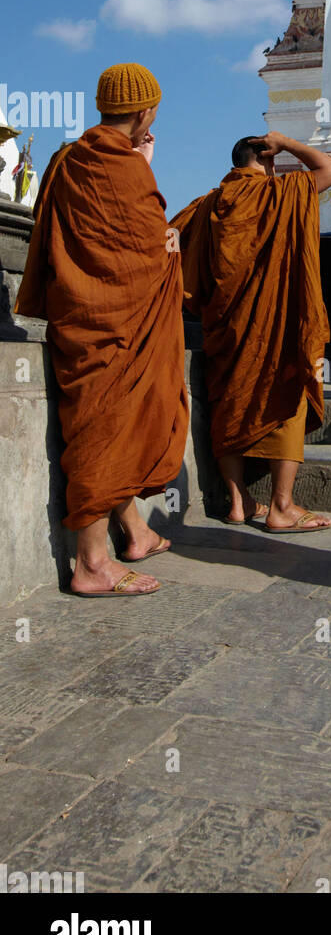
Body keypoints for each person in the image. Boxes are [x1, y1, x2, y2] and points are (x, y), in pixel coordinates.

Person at [16, 63, 188, 597]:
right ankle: (91, 564)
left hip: (80, 317)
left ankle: (133, 531)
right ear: (146, 112)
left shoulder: (69, 158)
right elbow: (145, 252)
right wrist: (170, 241)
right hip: (114, 325)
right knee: (104, 430)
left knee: (105, 423)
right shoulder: (128, 169)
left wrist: (142, 167)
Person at [171, 131, 331, 532]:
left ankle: (237, 501)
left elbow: (171, 242)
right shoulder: (280, 192)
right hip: (276, 325)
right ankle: (282, 506)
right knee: (289, 396)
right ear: (266, 159)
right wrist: (288, 142)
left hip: (225, 327)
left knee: (227, 405)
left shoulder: (208, 204)